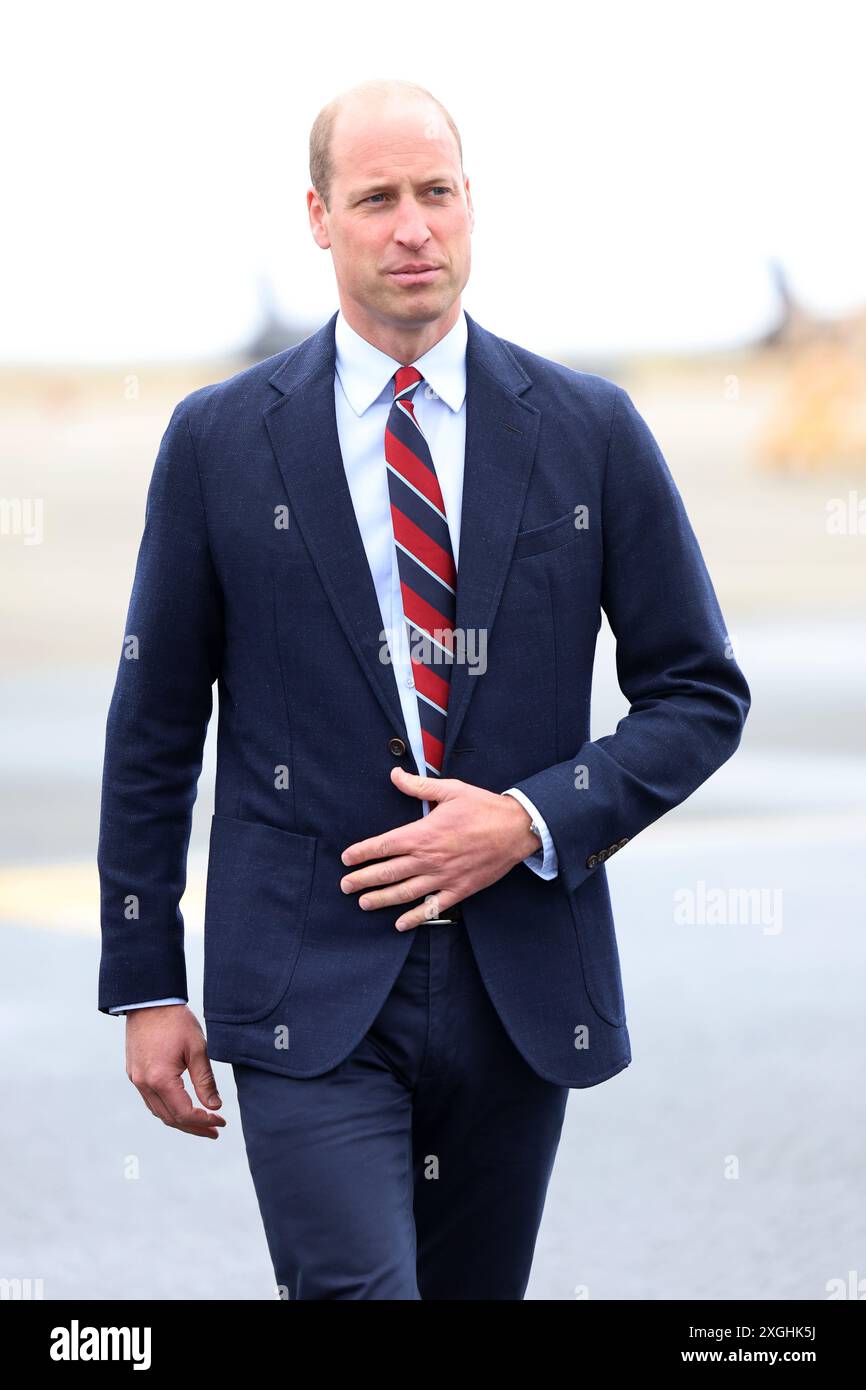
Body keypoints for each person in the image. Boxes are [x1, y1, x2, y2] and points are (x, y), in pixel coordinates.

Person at [97, 77, 751, 1300]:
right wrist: (144, 979)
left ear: (470, 207)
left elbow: (698, 691)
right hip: (302, 989)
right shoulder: (220, 441)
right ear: (318, 217)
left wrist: (530, 817)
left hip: (518, 987)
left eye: (435, 193)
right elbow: (153, 728)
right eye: (377, 197)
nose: (412, 226)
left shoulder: (588, 430)